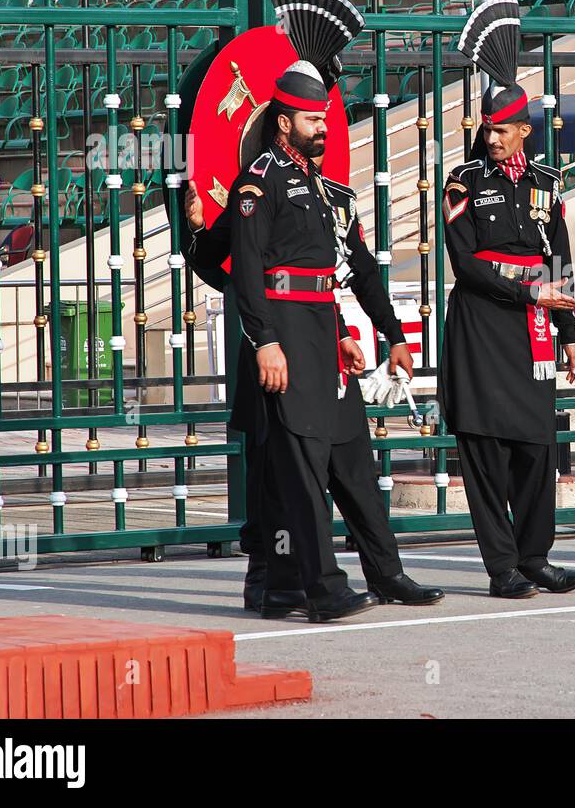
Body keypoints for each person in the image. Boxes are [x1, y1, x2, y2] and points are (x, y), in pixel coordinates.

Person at [183, 158, 445, 611]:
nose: (323, 126)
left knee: (351, 463)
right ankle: (281, 584)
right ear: (283, 124)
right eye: (313, 117)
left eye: (325, 116)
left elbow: (347, 274)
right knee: (281, 473)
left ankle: (384, 574)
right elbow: (231, 270)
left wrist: (381, 333)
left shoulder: (332, 197)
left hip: (324, 344)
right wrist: (263, 336)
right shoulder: (258, 187)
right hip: (279, 346)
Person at [439, 0, 575, 599]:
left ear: (524, 129)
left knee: (536, 445)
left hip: (536, 332)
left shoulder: (549, 184)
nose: (490, 137)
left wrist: (572, 334)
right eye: (486, 128)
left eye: (501, 129)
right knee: (485, 449)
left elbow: (562, 260)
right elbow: (466, 263)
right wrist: (528, 291)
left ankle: (535, 557)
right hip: (481, 327)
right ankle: (500, 565)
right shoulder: (462, 182)